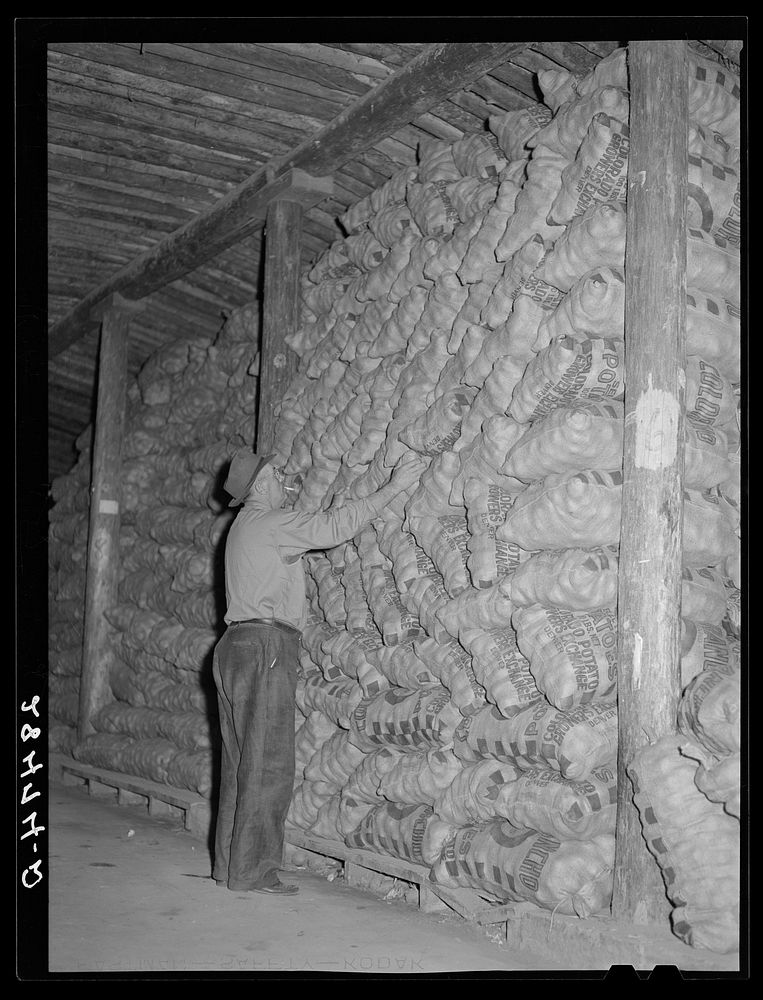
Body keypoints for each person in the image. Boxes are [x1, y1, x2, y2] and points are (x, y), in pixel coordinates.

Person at [212, 446, 425, 895]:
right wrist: (393, 488)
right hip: (265, 646)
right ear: (261, 485)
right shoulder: (270, 522)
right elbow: (333, 527)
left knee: (238, 762)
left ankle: (230, 865)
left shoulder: (241, 529)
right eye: (276, 473)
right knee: (268, 763)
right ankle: (254, 871)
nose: (283, 477)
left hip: (234, 647)